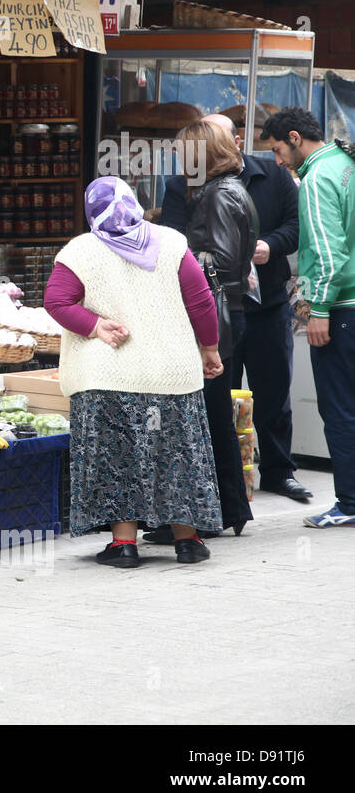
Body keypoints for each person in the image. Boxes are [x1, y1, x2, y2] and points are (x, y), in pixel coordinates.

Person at [45, 176, 224, 567]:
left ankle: (123, 546)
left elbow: (57, 300)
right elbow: (200, 301)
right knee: (176, 455)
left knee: (116, 456)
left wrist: (94, 326)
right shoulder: (172, 242)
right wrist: (209, 349)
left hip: (108, 375)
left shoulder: (81, 250)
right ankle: (188, 540)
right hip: (171, 375)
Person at [160, 112, 310, 502]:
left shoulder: (269, 176)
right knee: (218, 395)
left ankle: (278, 471)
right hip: (218, 308)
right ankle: (224, 481)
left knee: (273, 391)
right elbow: (175, 238)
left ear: (229, 143)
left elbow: (297, 226)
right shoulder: (185, 185)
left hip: (263, 303)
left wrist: (268, 246)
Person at [147, 120, 256, 544]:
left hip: (216, 317)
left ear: (202, 154)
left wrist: (176, 256)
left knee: (204, 418)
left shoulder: (220, 195)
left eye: (183, 152)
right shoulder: (222, 190)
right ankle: (226, 509)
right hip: (223, 314)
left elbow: (222, 264)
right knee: (212, 416)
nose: (178, 160)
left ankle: (208, 515)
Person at [260, 107, 355, 528]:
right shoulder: (346, 162)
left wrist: (319, 311)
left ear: (295, 138)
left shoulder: (316, 178)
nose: (278, 161)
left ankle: (350, 504)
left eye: (279, 150)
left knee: (339, 410)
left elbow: (330, 252)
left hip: (340, 309)